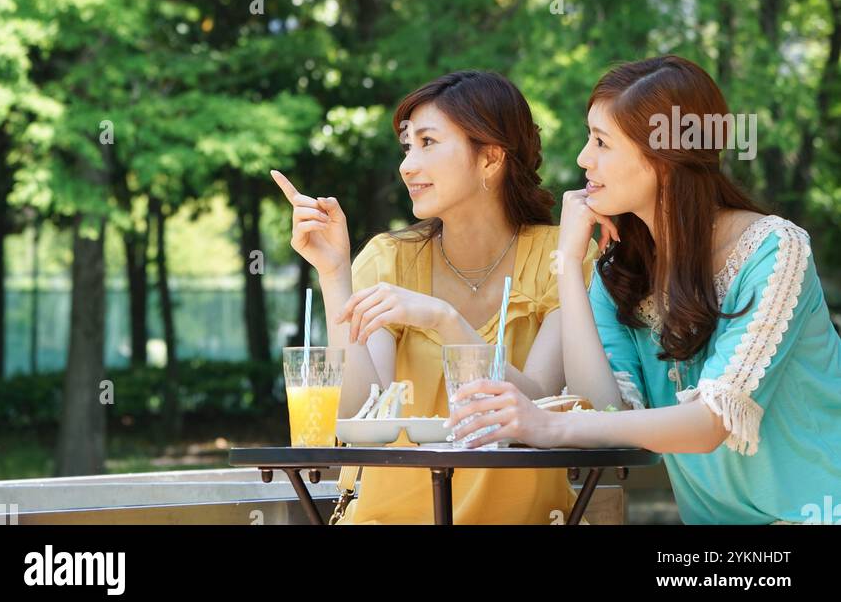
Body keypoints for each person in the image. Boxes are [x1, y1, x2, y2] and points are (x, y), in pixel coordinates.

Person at [446, 55, 841, 525]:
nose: (583, 159)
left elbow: (711, 422)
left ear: (664, 160)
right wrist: (570, 266)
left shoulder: (775, 250)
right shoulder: (621, 273)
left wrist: (550, 424)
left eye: (601, 142)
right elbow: (610, 412)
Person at [272, 69, 602, 524]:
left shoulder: (560, 254)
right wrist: (334, 274)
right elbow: (360, 415)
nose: (407, 165)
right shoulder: (389, 259)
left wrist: (446, 321)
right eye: (407, 146)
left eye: (428, 143)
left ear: (491, 157)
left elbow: (536, 406)